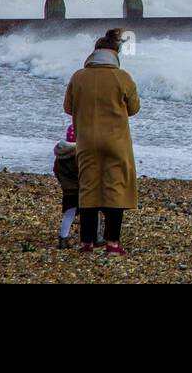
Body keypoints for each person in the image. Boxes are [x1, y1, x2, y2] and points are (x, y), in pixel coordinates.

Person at [63, 28, 140, 255]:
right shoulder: (122, 77)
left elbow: (68, 107)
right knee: (115, 189)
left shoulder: (79, 77)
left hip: (86, 141)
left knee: (88, 189)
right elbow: (134, 109)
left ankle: (86, 242)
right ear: (115, 54)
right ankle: (112, 243)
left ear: (94, 53)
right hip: (116, 142)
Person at [53, 125, 80, 249]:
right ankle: (95, 237)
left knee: (69, 215)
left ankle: (63, 238)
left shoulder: (60, 154)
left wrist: (63, 183)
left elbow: (56, 170)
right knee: (92, 212)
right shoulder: (78, 155)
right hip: (80, 189)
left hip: (67, 190)